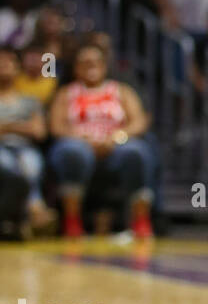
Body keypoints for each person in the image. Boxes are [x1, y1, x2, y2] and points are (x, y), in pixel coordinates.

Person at [48, 43, 156, 238]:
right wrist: (83, 140)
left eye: (96, 62)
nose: (91, 66)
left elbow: (138, 122)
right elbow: (57, 127)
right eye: (85, 62)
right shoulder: (66, 93)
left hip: (116, 144)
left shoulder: (121, 90)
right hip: (79, 143)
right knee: (73, 152)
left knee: (137, 151)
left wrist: (116, 137)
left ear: (105, 66)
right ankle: (72, 222)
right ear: (76, 68)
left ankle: (140, 221)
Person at [0, 46, 55, 234]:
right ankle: (33, 211)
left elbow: (39, 132)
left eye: (9, 61)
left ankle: (28, 213)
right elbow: (30, 128)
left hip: (25, 148)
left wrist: (5, 126)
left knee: (30, 165)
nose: (4, 65)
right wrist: (21, 126)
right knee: (8, 165)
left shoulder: (30, 101)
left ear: (18, 68)